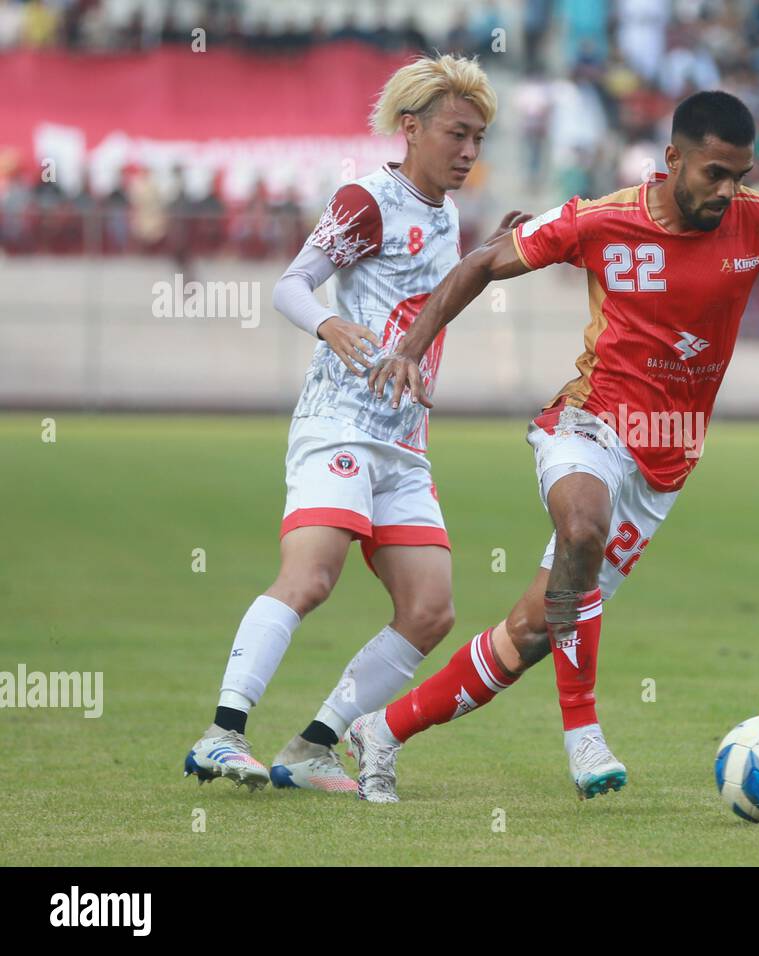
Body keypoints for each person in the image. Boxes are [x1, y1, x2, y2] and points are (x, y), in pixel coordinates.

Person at [347, 90, 759, 803]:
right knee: (581, 524)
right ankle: (583, 733)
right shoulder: (603, 220)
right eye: (714, 174)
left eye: (740, 175)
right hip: (590, 420)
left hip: (667, 458)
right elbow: (483, 264)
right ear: (672, 159)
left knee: (534, 629)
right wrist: (412, 351)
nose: (728, 191)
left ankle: (381, 731)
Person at [183, 54, 524, 792]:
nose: (470, 152)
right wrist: (332, 325)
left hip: (403, 441)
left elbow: (429, 312)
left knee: (431, 609)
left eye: (480, 138)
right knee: (310, 578)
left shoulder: (446, 215)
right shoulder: (368, 199)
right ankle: (222, 733)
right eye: (458, 134)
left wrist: (488, 257)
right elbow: (290, 285)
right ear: (411, 128)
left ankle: (312, 746)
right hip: (339, 423)